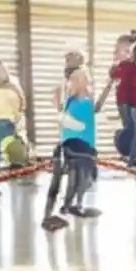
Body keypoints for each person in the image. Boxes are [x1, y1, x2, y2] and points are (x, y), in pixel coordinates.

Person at [42, 68, 105, 230]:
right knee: (63, 180)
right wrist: (60, 112)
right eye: (72, 80)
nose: (73, 83)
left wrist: (62, 117)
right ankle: (51, 213)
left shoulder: (87, 102)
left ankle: (73, 206)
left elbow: (80, 125)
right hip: (69, 145)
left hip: (84, 147)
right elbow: (67, 121)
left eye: (78, 80)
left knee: (81, 181)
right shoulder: (70, 101)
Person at [0, 59, 25, 192]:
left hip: (6, 122)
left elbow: (20, 104)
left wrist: (17, 121)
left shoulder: (12, 86)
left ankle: (0, 185)